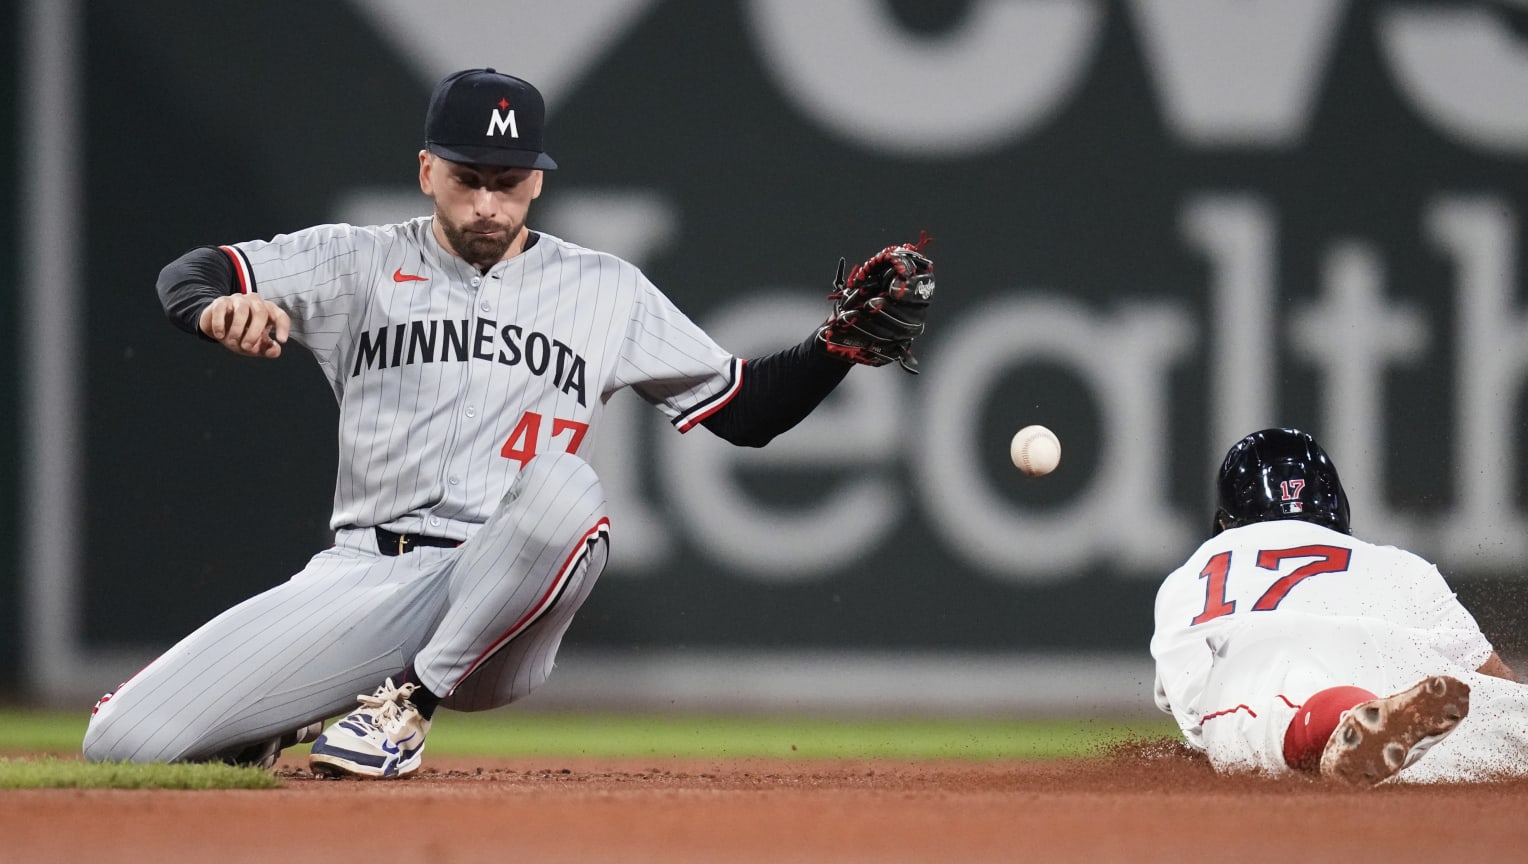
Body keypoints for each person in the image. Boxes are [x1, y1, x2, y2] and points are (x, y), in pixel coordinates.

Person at [81, 68, 935, 778]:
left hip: (500, 597)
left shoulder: (605, 288)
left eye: (509, 182)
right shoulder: (359, 260)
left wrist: (836, 349)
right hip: (360, 576)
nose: (489, 204)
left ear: (537, 179)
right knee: (120, 746)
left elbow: (745, 414)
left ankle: (403, 713)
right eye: (468, 180)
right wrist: (212, 310)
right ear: (427, 172)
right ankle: (282, 717)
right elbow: (192, 271)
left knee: (565, 483)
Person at [1150, 427, 1528, 786]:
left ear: (1225, 521)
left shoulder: (1193, 574)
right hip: (1406, 675)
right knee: (1509, 721)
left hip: (1273, 675)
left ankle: (1346, 722)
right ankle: (1370, 724)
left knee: (1248, 712)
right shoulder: (1400, 564)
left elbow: (1190, 705)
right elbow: (1494, 677)